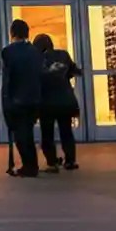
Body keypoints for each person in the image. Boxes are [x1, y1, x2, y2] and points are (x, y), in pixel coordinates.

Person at [1, 19, 43, 178]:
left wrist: (6, 99)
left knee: (20, 134)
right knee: (28, 132)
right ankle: (32, 164)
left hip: (16, 98)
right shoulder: (35, 51)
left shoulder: (8, 52)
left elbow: (8, 78)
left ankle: (29, 165)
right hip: (33, 97)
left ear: (12, 33)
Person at [35, 34, 81, 172]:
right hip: (64, 101)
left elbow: (37, 79)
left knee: (47, 134)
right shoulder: (63, 55)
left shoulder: (38, 60)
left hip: (47, 102)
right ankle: (70, 161)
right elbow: (75, 71)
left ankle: (52, 162)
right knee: (66, 131)